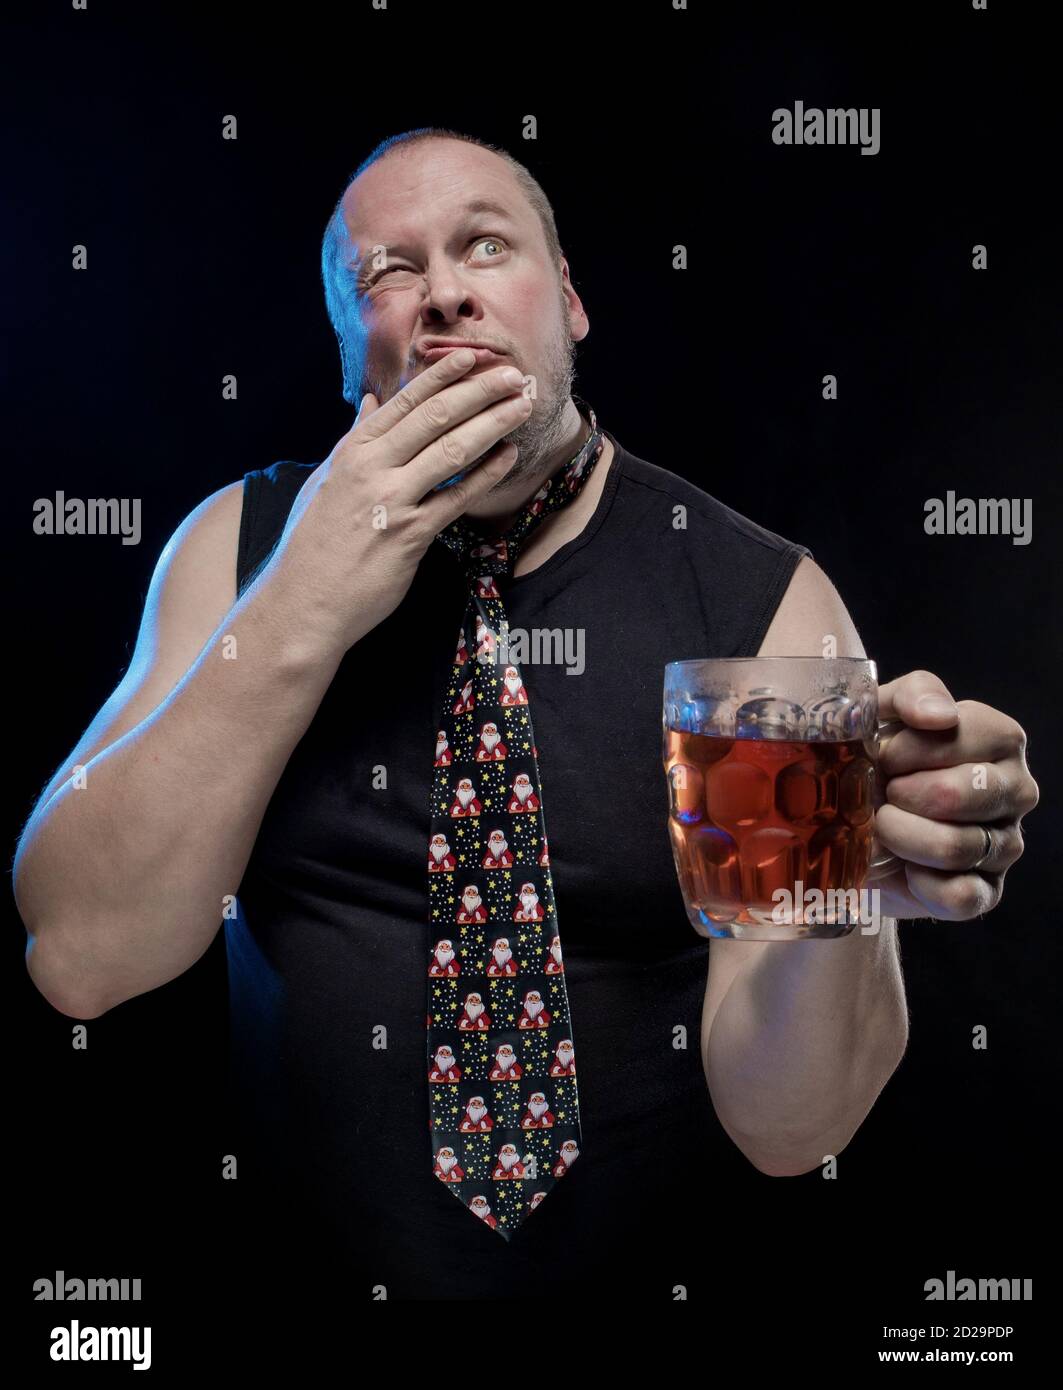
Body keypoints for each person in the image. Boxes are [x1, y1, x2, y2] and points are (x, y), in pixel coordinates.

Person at [14, 127, 1039, 1298]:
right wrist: (302, 602)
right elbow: (82, 958)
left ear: (569, 303)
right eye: (388, 272)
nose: (444, 293)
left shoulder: (755, 612)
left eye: (486, 247)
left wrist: (837, 891)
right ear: (350, 352)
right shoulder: (240, 549)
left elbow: (788, 1127)